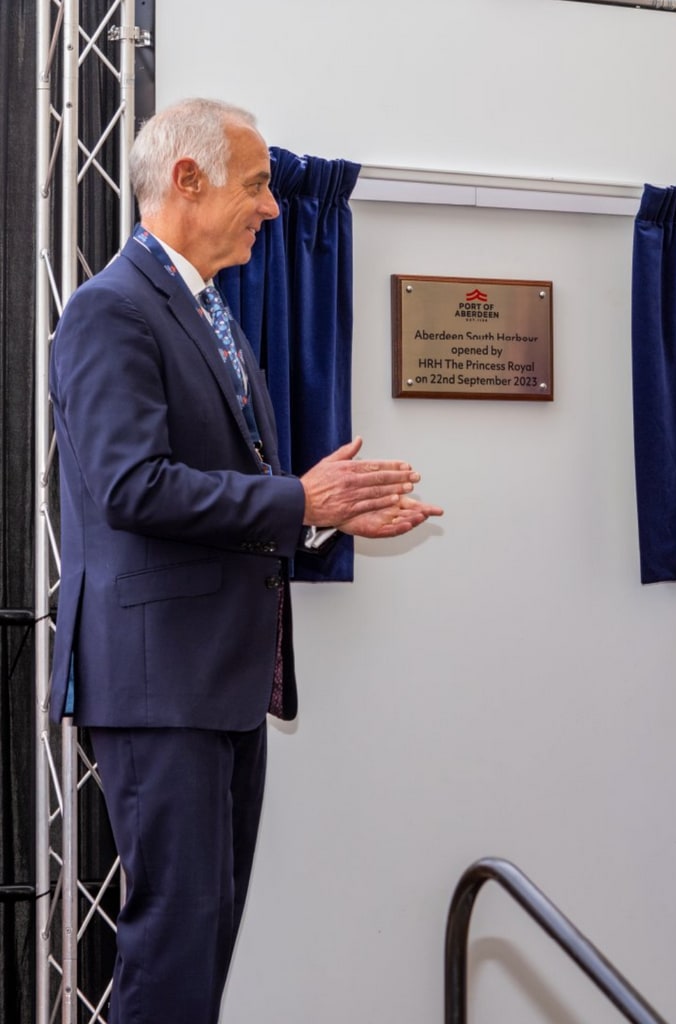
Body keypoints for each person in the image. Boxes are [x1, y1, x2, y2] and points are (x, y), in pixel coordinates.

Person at [48, 97, 443, 1023]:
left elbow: (218, 493)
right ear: (186, 181)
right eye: (258, 185)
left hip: (216, 679)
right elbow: (129, 487)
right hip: (159, 682)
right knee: (173, 947)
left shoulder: (207, 312)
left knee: (205, 939)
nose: (272, 208)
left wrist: (320, 520)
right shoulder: (112, 310)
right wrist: (299, 499)